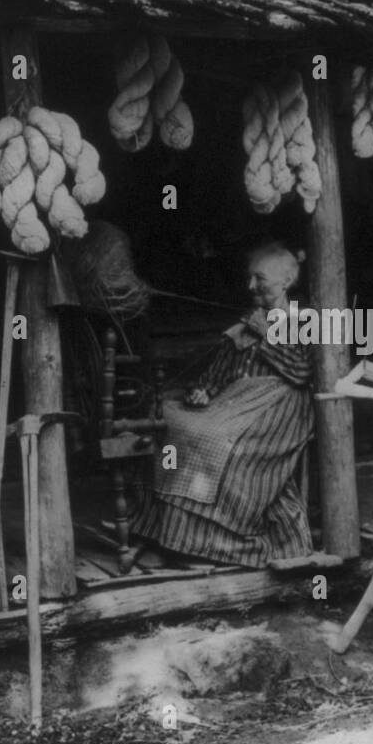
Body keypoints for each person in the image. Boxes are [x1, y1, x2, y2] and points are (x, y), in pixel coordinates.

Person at [129, 243, 313, 567]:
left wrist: (266, 332)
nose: (251, 287)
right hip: (234, 403)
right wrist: (203, 391)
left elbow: (301, 371)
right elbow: (218, 372)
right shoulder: (249, 320)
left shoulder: (304, 321)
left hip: (279, 405)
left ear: (285, 282)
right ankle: (164, 532)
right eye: (250, 278)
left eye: (260, 279)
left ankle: (212, 544)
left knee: (211, 437)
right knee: (170, 419)